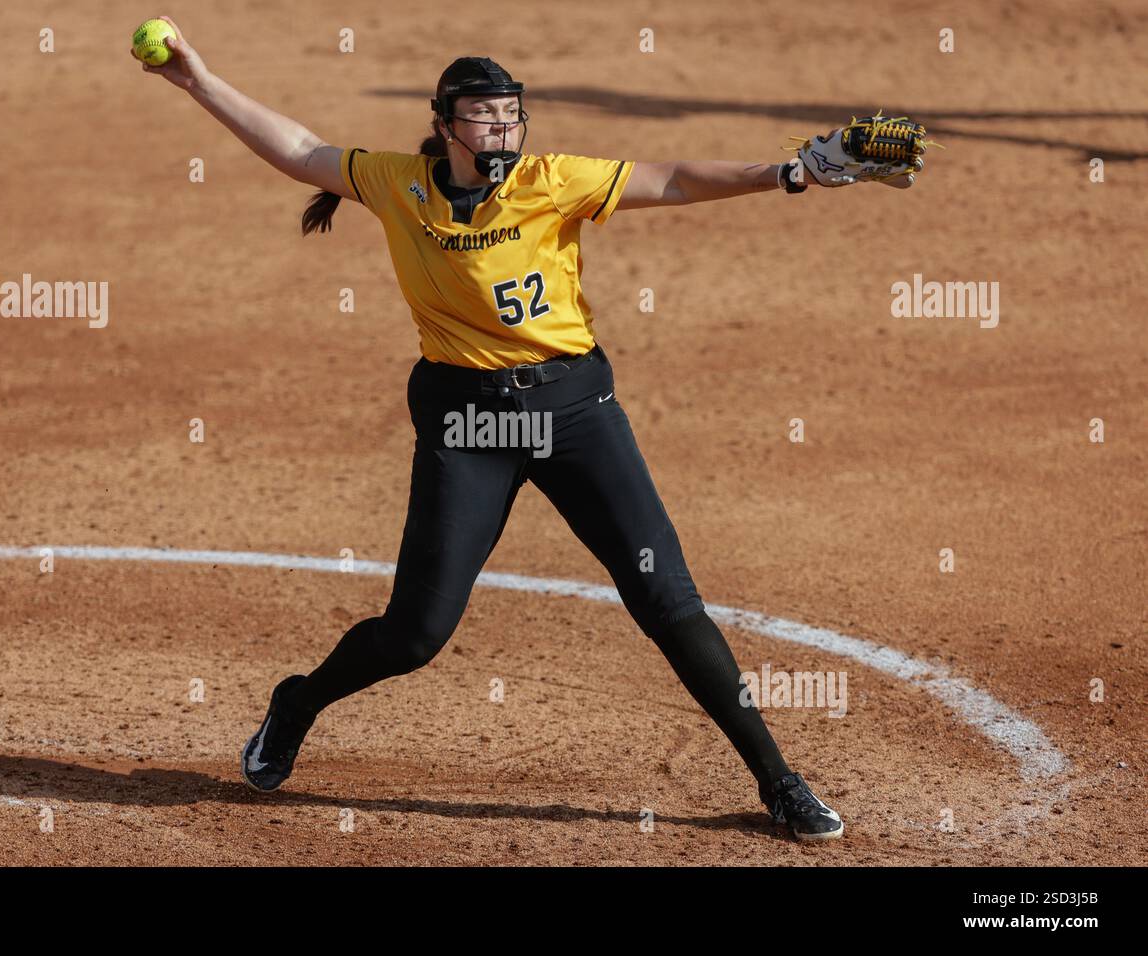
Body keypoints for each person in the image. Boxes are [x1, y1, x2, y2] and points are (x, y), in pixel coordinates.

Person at [138, 16, 889, 841]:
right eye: (483, 116)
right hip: (466, 423)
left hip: (575, 413)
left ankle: (777, 781)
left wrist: (789, 172)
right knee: (415, 634)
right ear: (444, 124)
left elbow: (671, 177)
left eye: (509, 115)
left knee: (667, 601)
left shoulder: (551, 180)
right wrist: (197, 81)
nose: (499, 130)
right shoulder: (398, 185)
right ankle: (298, 701)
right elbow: (300, 148)